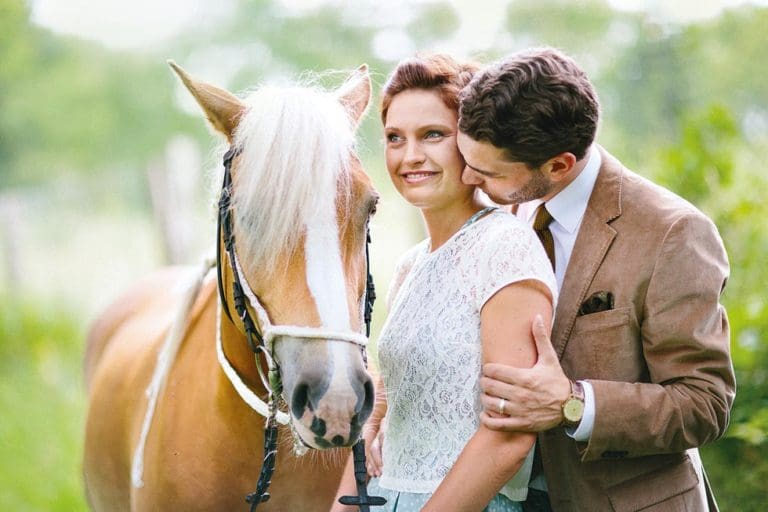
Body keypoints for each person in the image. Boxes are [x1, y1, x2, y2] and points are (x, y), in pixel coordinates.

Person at [456, 47, 735, 511]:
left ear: (559, 165)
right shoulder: (497, 214)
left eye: (488, 172)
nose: (467, 178)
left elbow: (703, 403)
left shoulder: (672, 233)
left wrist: (572, 403)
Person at [333, 54, 557, 512]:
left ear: (472, 143)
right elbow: (394, 400)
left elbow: (509, 434)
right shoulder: (410, 265)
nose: (410, 156)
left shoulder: (505, 246)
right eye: (395, 138)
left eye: (432, 135)